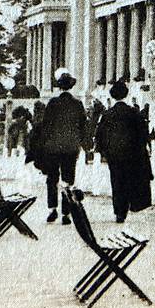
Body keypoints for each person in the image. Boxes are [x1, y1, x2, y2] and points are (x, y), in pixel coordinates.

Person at [40, 67, 93, 224]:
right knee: (68, 179)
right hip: (70, 147)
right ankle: (66, 213)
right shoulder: (77, 104)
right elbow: (83, 126)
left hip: (53, 147)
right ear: (71, 87)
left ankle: (52, 208)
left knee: (52, 178)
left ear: (59, 87)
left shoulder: (52, 103)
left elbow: (46, 126)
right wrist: (85, 144)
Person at [96, 81, 153, 225]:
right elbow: (143, 133)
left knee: (116, 181)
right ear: (126, 94)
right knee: (129, 180)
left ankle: (119, 212)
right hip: (131, 154)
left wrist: (104, 152)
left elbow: (100, 134)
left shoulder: (107, 114)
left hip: (114, 155)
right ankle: (127, 206)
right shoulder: (133, 112)